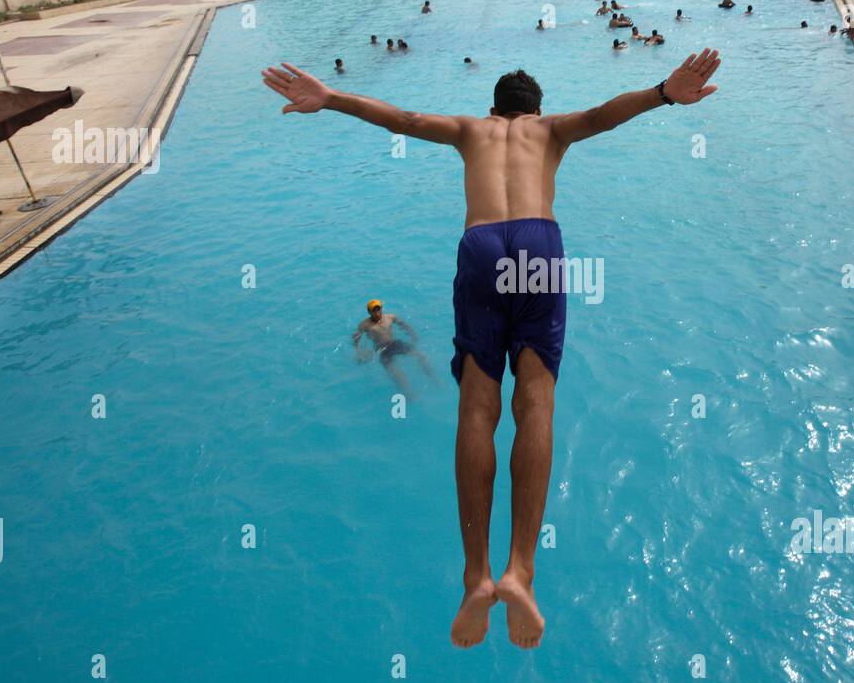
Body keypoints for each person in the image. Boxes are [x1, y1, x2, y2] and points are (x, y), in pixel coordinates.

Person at [261, 48, 722, 649]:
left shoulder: (470, 130)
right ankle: (520, 573)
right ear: (535, 110)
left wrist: (333, 99)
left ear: (493, 110)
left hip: (481, 247)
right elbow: (607, 115)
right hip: (537, 240)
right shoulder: (552, 130)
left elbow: (401, 118)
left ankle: (475, 576)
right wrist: (663, 91)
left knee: (478, 407)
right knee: (537, 403)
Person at [352, 300, 436, 397]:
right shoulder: (364, 325)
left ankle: (433, 378)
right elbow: (356, 338)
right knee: (397, 375)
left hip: (395, 344)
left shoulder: (390, 317)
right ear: (369, 312)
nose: (377, 313)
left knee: (422, 356)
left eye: (378, 309)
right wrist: (358, 351)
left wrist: (412, 333)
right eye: (373, 311)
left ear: (381, 308)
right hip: (382, 350)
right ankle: (409, 395)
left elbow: (403, 324)